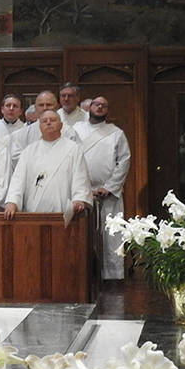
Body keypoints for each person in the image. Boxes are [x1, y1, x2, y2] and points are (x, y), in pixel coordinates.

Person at [73, 96, 131, 279]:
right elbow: (70, 158)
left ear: (107, 110)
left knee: (111, 235)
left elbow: (124, 161)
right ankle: (83, 276)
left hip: (107, 194)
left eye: (104, 106)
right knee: (82, 237)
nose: (99, 107)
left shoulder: (116, 133)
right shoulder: (76, 130)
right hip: (82, 194)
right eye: (96, 104)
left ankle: (112, 276)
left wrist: (109, 187)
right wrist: (80, 189)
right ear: (89, 107)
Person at [4, 111, 92, 219]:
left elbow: (80, 177)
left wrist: (79, 198)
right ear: (39, 127)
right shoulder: (29, 151)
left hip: (63, 214)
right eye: (44, 121)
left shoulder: (73, 149)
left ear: (61, 125)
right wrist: (12, 202)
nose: (48, 123)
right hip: (33, 215)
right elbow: (18, 179)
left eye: (53, 120)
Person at [9, 90, 77, 168]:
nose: (45, 108)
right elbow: (16, 158)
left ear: (57, 107)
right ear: (35, 108)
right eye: (41, 105)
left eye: (49, 105)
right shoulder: (22, 134)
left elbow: (75, 157)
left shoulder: (69, 132)